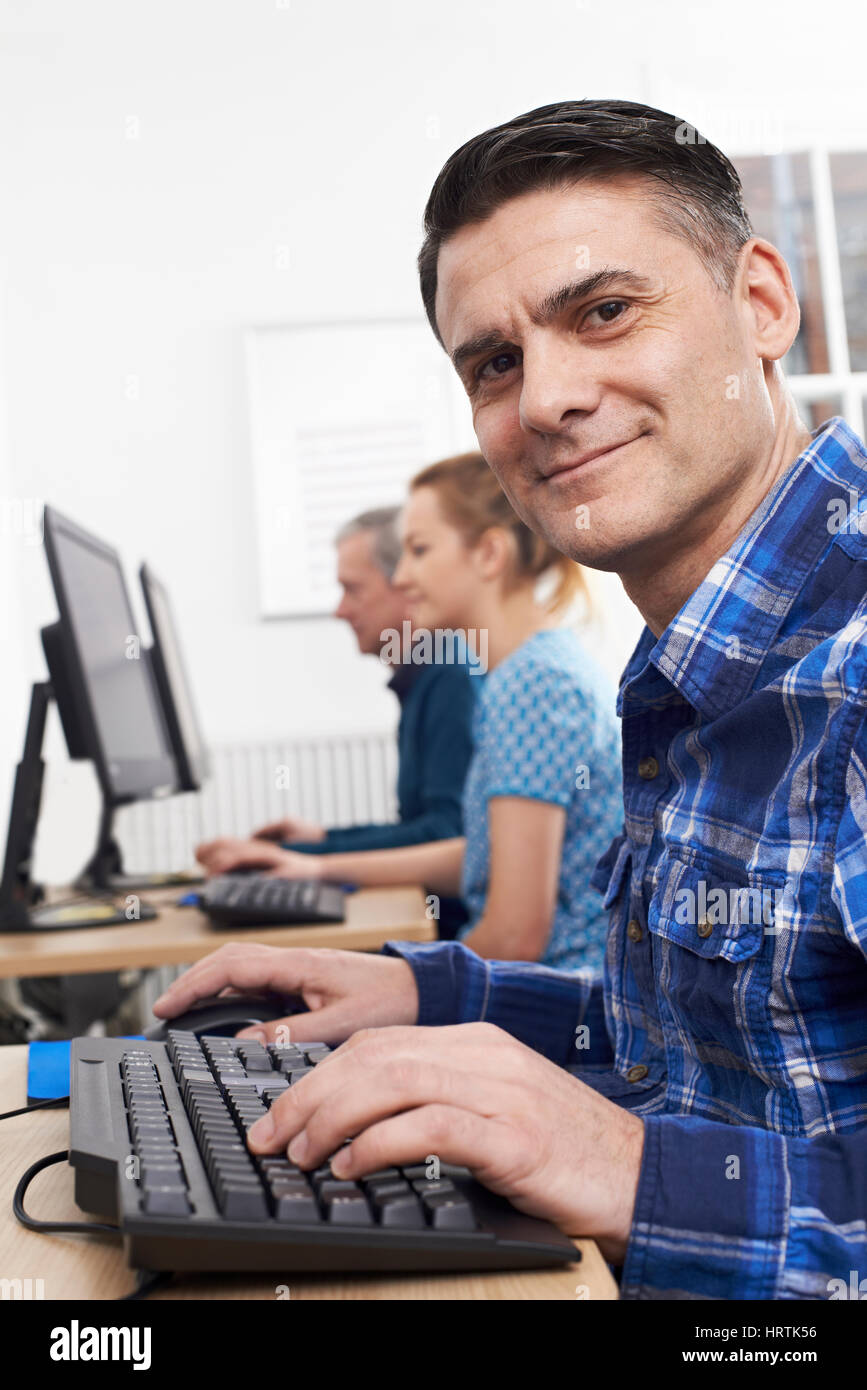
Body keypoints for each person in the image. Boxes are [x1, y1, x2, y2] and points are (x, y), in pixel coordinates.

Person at [155, 98, 867, 1300]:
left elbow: (659, 1126)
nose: (544, 401)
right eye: (495, 363)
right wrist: (436, 992)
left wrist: (623, 1162)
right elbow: (701, 1047)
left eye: (603, 311)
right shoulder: (694, 665)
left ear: (762, 303)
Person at [198, 452, 623, 971]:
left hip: (555, 1007)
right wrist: (315, 869)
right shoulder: (530, 669)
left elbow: (514, 940)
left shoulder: (533, 684)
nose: (401, 577)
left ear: (490, 554)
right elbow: (480, 855)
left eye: (418, 551)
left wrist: (389, 981)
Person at [201, 506, 475, 858]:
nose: (339, 610)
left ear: (407, 584)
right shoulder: (428, 672)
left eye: (352, 589)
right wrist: (317, 838)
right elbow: (423, 827)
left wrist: (301, 856)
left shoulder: (450, 676)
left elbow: (446, 834)